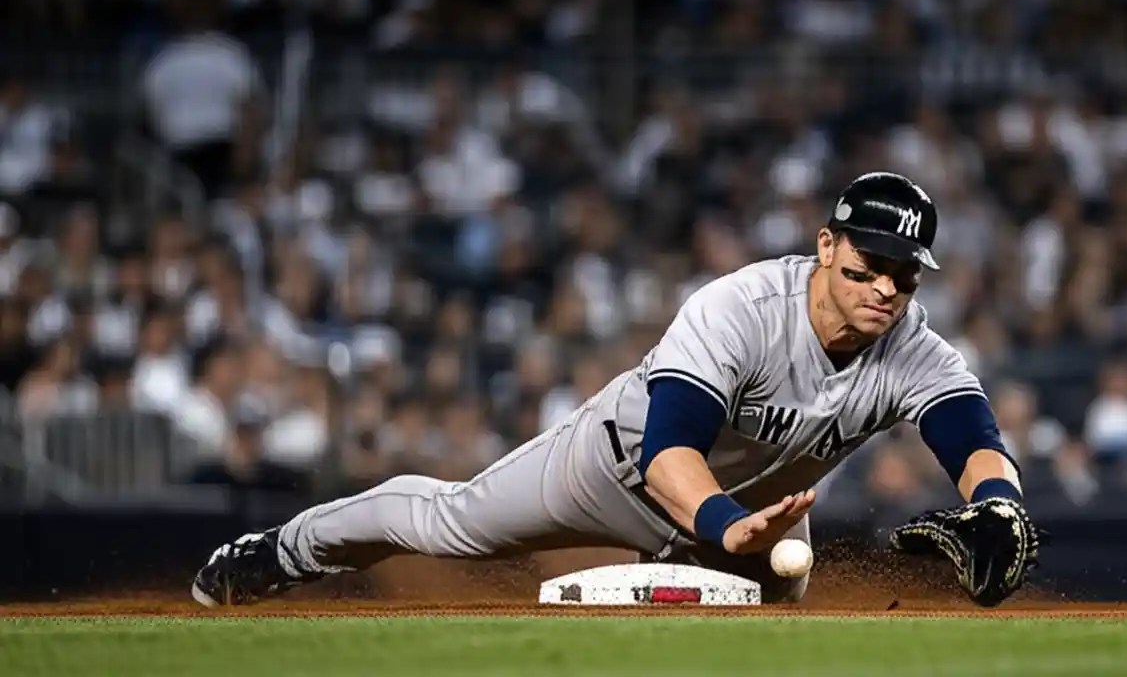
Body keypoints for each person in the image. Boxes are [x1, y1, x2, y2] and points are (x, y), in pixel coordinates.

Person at [191, 172, 1042, 607]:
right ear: (825, 246)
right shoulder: (741, 308)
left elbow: (971, 440)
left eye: (905, 276)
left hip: (760, 517)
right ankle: (283, 550)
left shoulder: (914, 349)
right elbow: (670, 449)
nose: (886, 289)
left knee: (781, 622)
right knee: (451, 522)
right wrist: (721, 526)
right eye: (868, 265)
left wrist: (999, 506)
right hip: (616, 469)